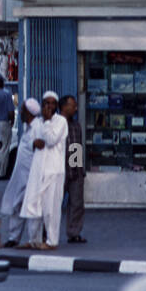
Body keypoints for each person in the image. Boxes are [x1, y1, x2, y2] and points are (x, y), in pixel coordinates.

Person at [21, 91, 68, 250]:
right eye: (46, 103)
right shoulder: (37, 122)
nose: (49, 106)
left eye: (52, 103)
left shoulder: (60, 121)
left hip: (54, 171)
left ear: (56, 106)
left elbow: (51, 139)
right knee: (33, 205)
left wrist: (47, 123)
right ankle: (33, 239)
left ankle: (51, 241)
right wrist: (34, 143)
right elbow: (28, 141)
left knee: (51, 208)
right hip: (38, 169)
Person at [0, 98, 40, 248]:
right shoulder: (28, 127)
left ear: (29, 112)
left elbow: (40, 148)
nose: (20, 112)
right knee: (16, 205)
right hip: (20, 176)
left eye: (22, 110)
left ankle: (34, 239)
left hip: (32, 175)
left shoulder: (38, 128)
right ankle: (13, 237)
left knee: (32, 207)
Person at [61, 94, 87, 243]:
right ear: (64, 107)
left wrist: (79, 169)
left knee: (77, 203)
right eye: (73, 106)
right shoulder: (56, 123)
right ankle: (46, 233)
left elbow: (77, 146)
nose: (76, 108)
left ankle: (74, 232)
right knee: (53, 203)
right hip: (59, 169)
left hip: (74, 169)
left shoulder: (76, 125)